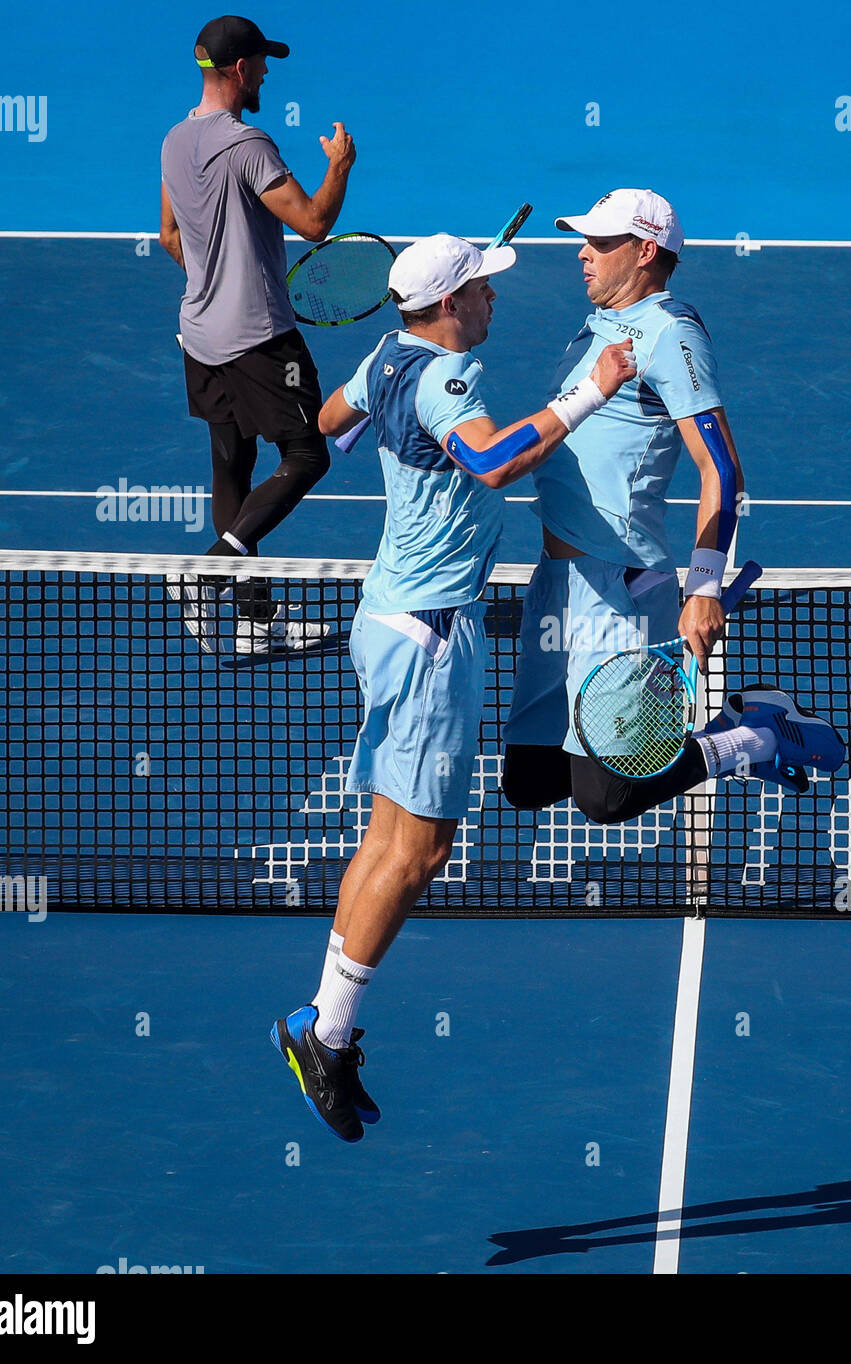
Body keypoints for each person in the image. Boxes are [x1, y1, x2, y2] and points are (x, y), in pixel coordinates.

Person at [270, 234, 638, 1141]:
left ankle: (323, 1027)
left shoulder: (388, 356)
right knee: (421, 852)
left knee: (390, 838)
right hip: (430, 639)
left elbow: (326, 420)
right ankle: (326, 1029)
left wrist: (374, 419)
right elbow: (493, 461)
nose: (492, 303)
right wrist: (590, 389)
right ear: (449, 306)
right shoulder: (445, 379)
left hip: (385, 621)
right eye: (481, 290)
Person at [501, 189, 845, 824]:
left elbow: (720, 467)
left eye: (601, 243)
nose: (583, 253)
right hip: (559, 583)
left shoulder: (670, 333)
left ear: (645, 251)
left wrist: (705, 587)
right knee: (527, 780)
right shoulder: (600, 323)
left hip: (620, 586)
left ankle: (757, 735)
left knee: (605, 798)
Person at [159, 15, 354, 653]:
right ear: (240, 69)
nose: (267, 71)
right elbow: (315, 223)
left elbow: (170, 237)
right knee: (308, 455)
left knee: (233, 465)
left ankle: (253, 621)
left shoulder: (172, 141)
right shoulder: (249, 145)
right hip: (261, 338)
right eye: (263, 62)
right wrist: (339, 166)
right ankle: (212, 572)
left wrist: (218, 276)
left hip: (199, 333)